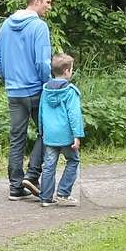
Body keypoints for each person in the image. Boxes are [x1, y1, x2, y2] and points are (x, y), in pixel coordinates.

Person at [0, 0, 54, 200]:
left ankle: (15, 187)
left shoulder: (6, 25)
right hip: (36, 90)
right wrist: (49, 84)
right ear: (36, 1)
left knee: (17, 138)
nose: (49, 7)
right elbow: (42, 62)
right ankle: (32, 175)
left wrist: (9, 80)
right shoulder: (39, 27)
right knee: (49, 131)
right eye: (48, 2)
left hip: (14, 91)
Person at [37, 52, 84, 207]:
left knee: (49, 166)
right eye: (71, 69)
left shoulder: (45, 89)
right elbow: (74, 115)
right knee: (73, 160)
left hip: (50, 135)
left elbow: (41, 112)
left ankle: (46, 198)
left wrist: (41, 132)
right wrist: (77, 135)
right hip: (66, 136)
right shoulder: (70, 91)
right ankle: (63, 193)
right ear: (66, 71)